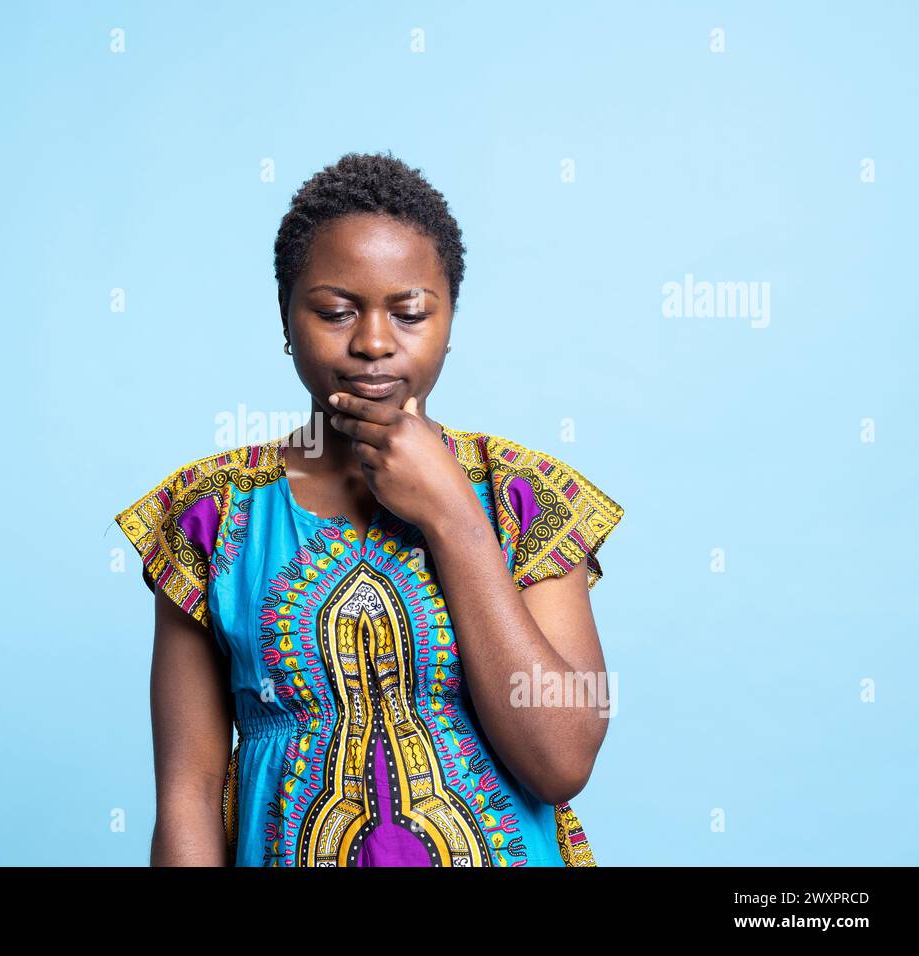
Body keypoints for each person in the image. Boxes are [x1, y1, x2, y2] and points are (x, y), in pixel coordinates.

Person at [114, 151, 625, 867]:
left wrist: (454, 517)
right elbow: (188, 797)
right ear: (286, 317)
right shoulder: (211, 516)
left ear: (450, 320)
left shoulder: (523, 497)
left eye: (410, 313)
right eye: (336, 312)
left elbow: (561, 761)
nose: (374, 343)